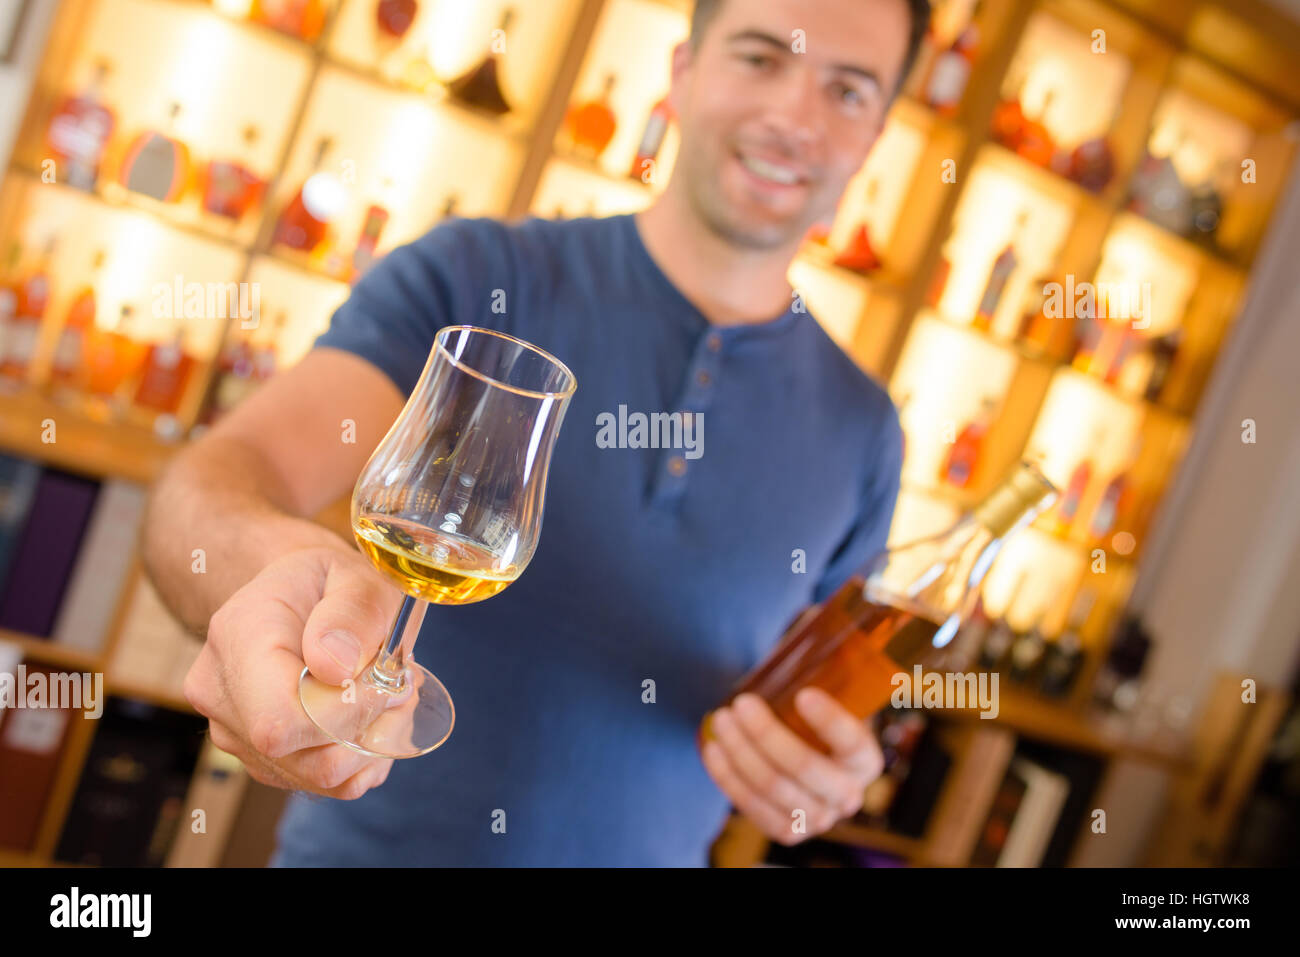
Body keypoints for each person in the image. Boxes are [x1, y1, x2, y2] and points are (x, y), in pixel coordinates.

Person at [143, 0, 929, 865]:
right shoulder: (474, 275)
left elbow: (803, 704)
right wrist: (272, 570)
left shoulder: (866, 434)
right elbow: (210, 483)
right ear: (682, 71)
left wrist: (816, 777)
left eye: (848, 91)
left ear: (877, 132)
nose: (795, 118)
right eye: (759, 58)